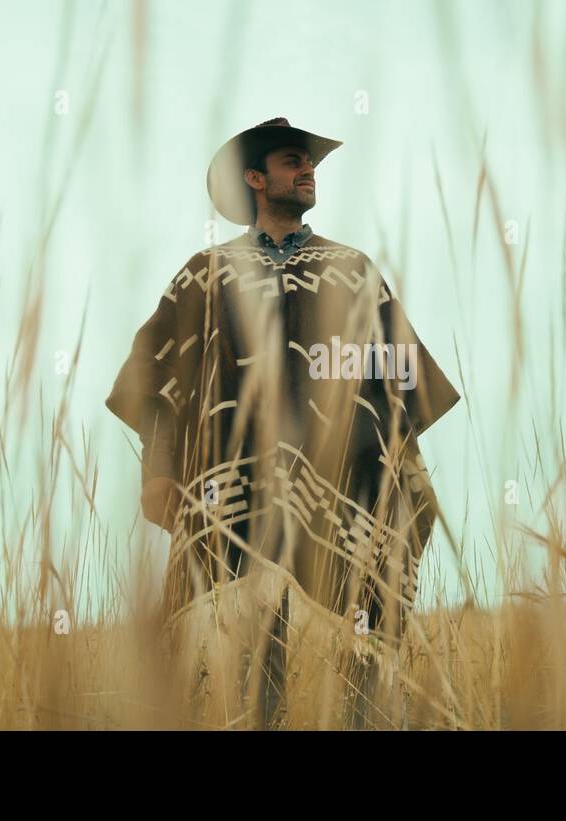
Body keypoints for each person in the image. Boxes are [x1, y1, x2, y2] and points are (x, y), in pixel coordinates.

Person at [105, 117, 460, 729]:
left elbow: (399, 388)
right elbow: (160, 382)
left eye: (311, 163)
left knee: (357, 646)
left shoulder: (352, 270)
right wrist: (157, 472)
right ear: (255, 179)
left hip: (342, 487)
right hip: (230, 490)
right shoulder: (206, 274)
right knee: (237, 652)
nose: (308, 170)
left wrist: (390, 479)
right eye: (293, 161)